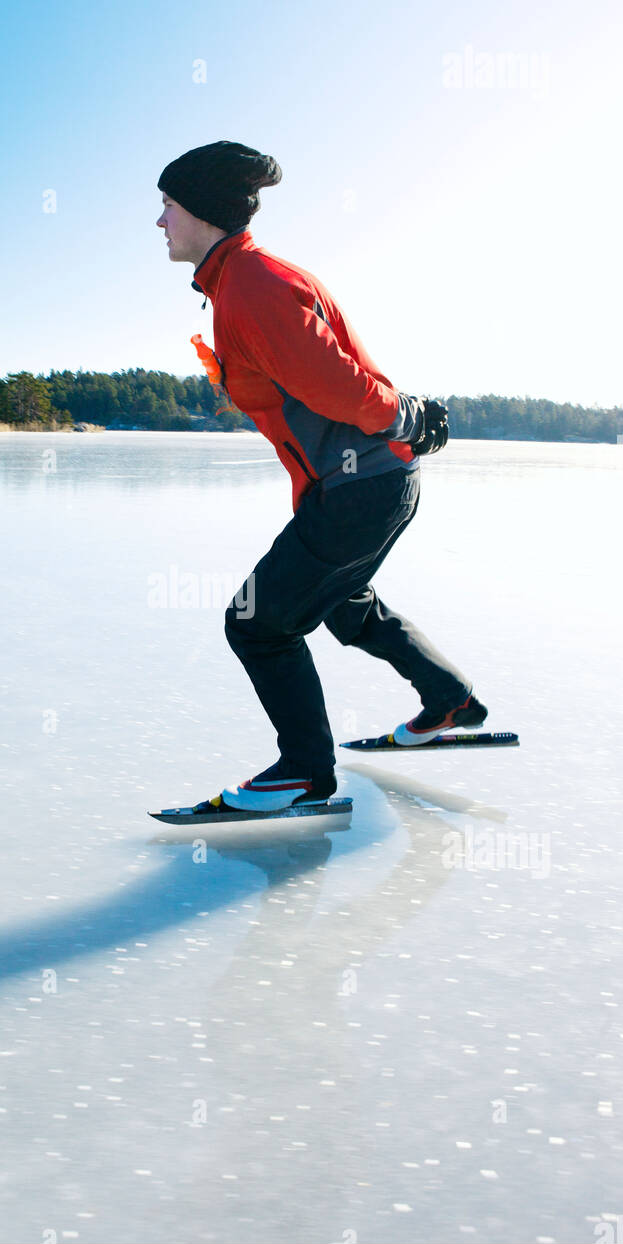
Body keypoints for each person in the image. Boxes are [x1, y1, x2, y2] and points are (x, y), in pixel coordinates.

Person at [156, 140, 487, 812]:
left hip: (360, 486)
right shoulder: (238, 283)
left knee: (256, 624)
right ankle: (447, 700)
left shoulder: (251, 286)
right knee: (343, 603)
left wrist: (406, 415)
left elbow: (336, 386)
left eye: (166, 206)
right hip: (358, 484)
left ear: (201, 212)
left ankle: (304, 771)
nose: (159, 222)